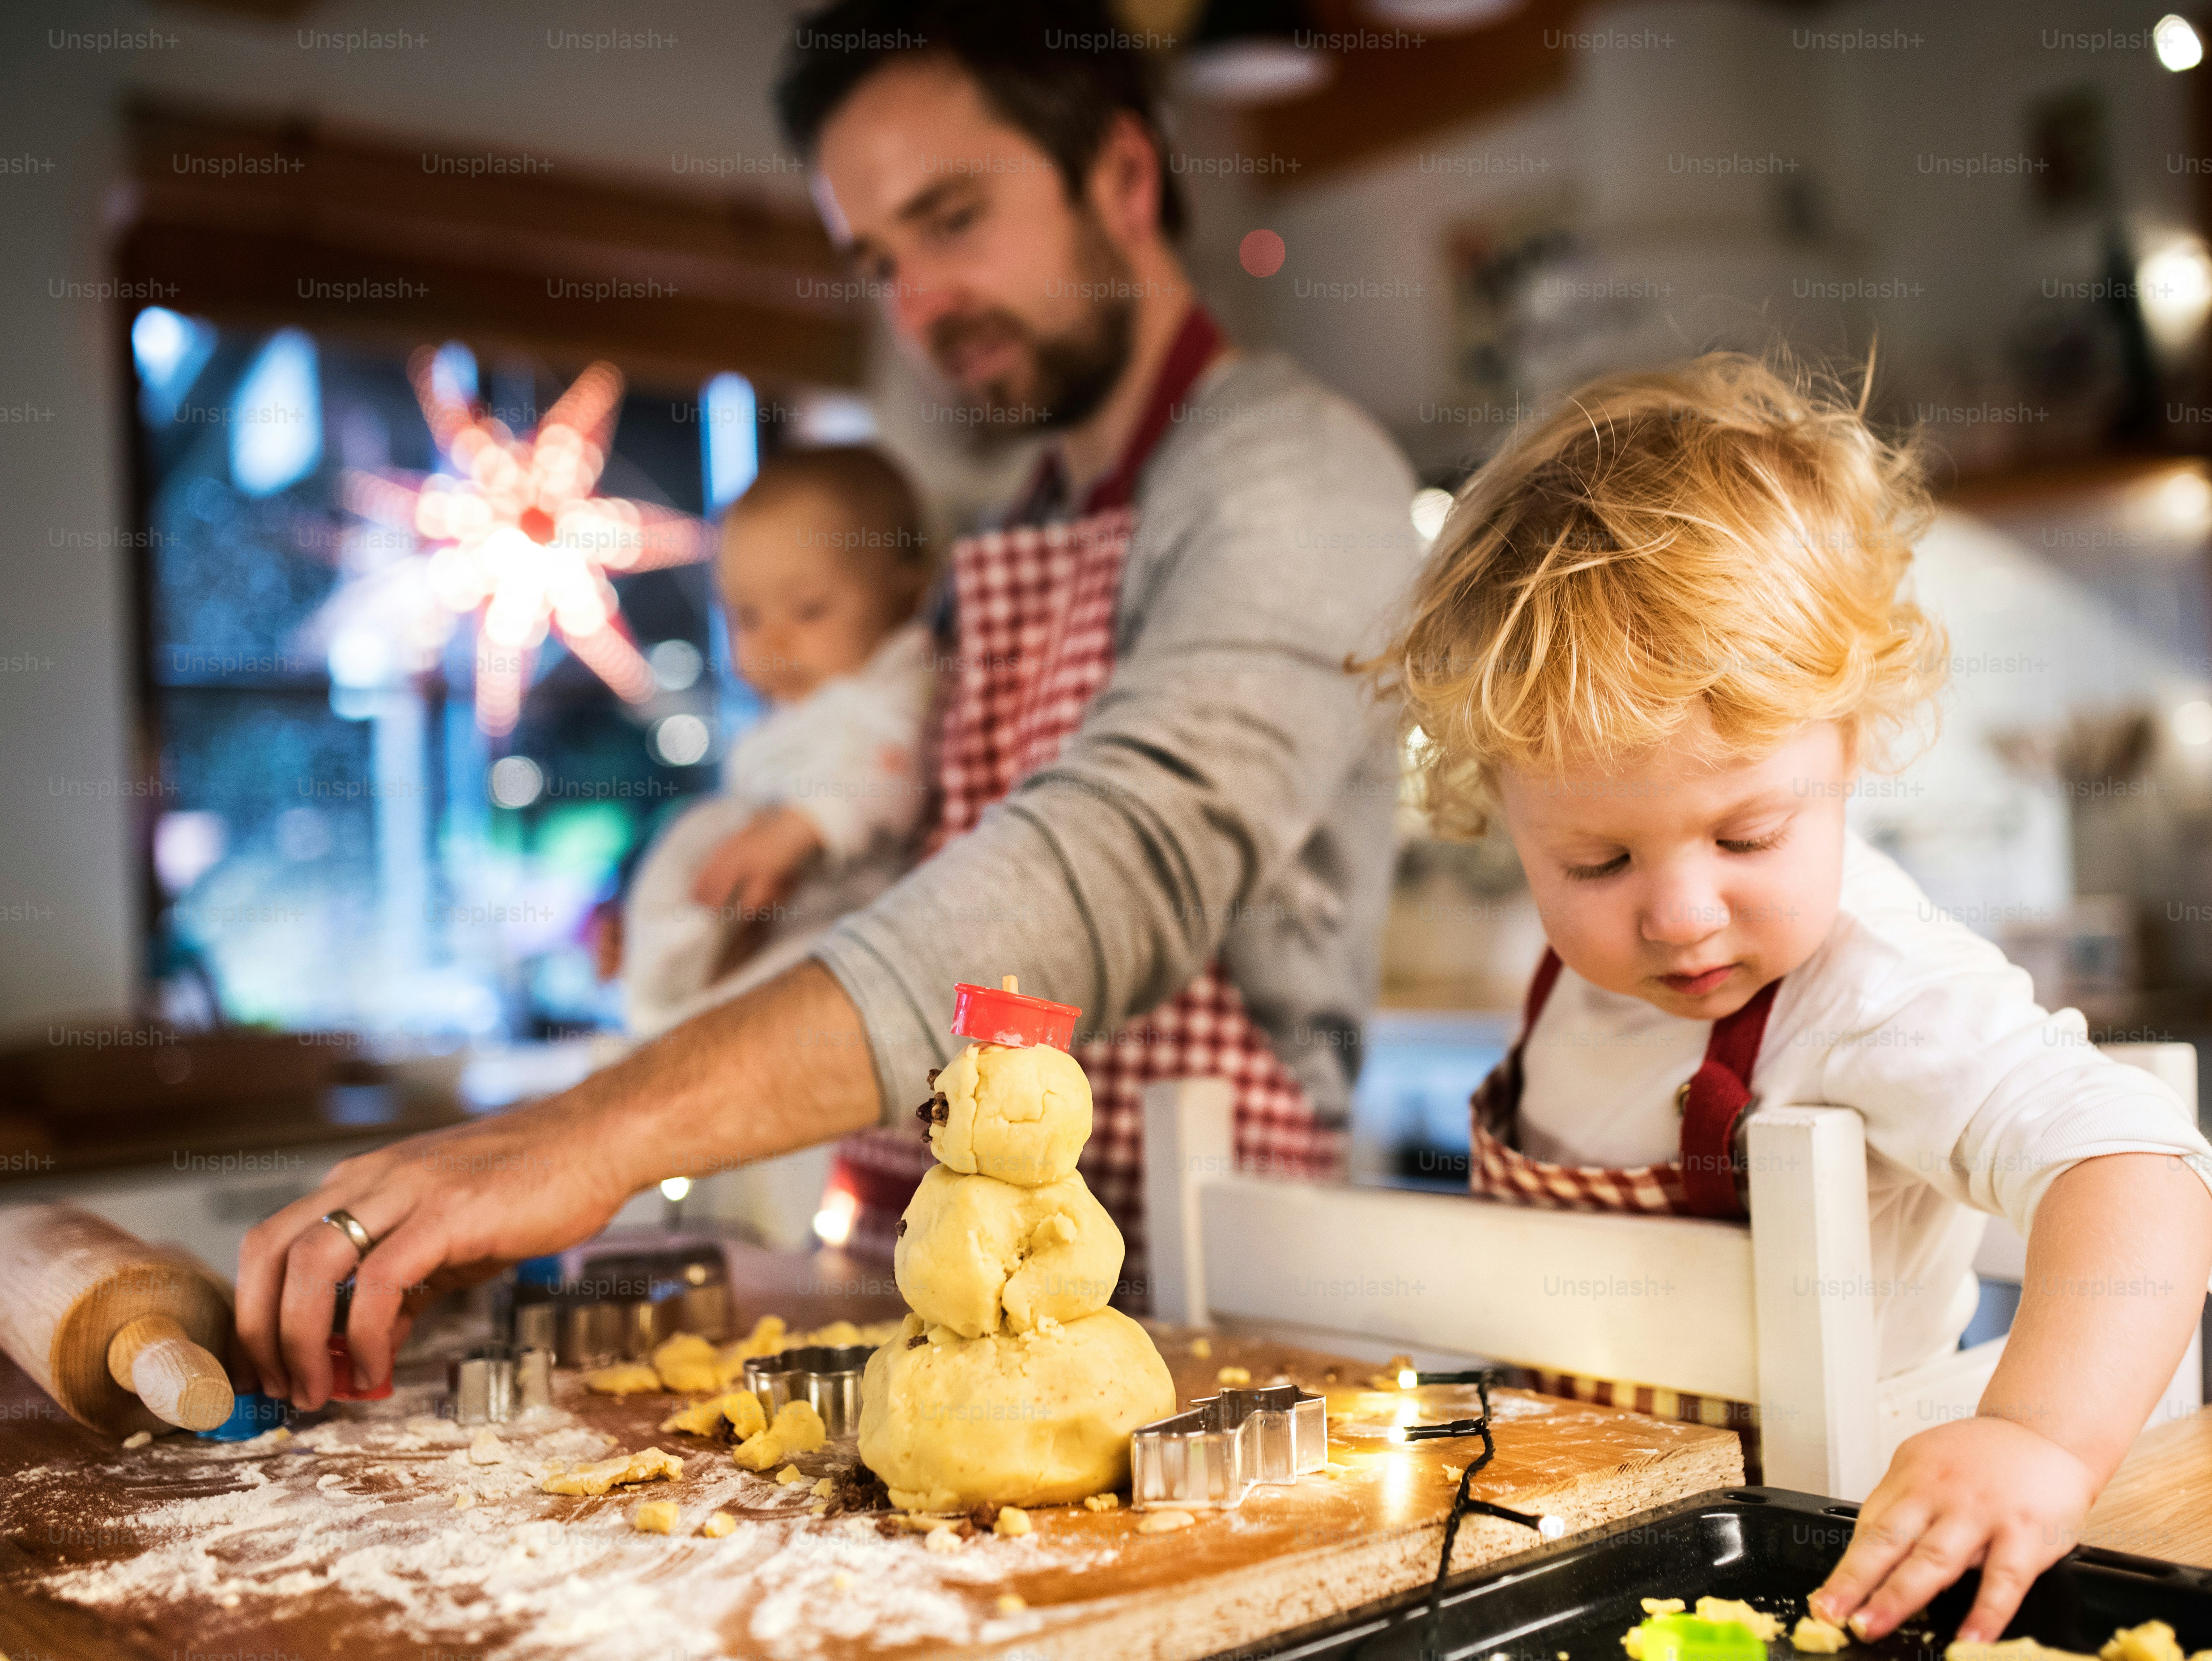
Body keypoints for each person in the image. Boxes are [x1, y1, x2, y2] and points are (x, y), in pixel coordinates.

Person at [236, 0, 1417, 1411]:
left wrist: (594, 1132)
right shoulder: (999, 528)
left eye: (954, 218)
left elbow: (1120, 864)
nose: (921, 306)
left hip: (1227, 1310)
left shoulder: (1297, 475)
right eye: (880, 261)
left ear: (1123, 177)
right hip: (955, 1268)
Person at [1365, 353, 2212, 1646]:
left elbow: (2145, 1173)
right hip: (1583, 1548)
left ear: (1853, 739)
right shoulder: (1579, 978)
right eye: (1594, 861)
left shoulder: (1870, 986)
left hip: (1811, 1575)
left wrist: (2032, 1437)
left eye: (1749, 834)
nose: (1679, 915)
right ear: (1501, 808)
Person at [617, 447, 935, 1038]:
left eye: (809, 610)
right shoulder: (790, 714)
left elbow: (892, 763)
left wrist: (799, 827)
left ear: (907, 597)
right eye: (747, 617)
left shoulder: (897, 680)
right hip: (777, 912)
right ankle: (662, 1006)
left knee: (787, 1000)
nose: (775, 641)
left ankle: (672, 1028)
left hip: (856, 912)